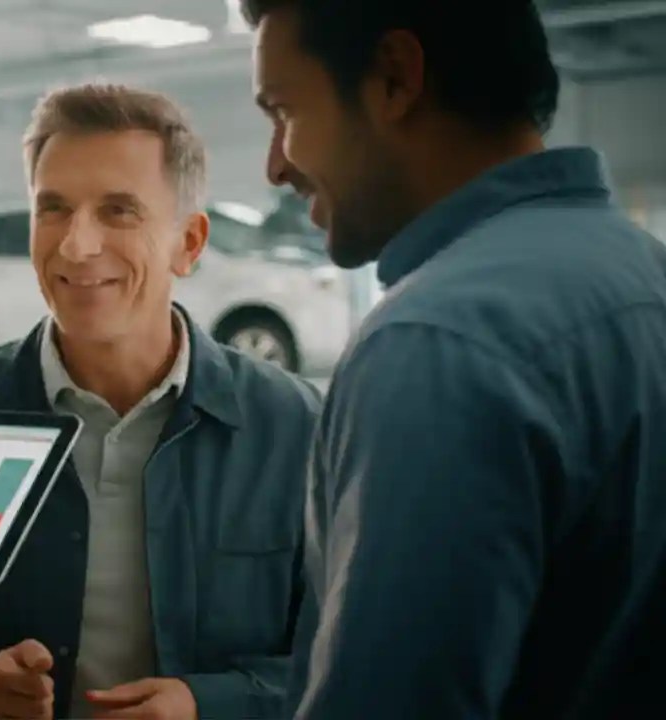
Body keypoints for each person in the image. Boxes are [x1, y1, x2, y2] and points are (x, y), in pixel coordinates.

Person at [240, 1, 666, 718]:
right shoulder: (646, 277)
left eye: (284, 112)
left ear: (395, 79)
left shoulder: (434, 344)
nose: (277, 165)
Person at [0, 84, 322, 720]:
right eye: (53, 209)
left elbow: (345, 653)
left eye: (119, 211)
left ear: (189, 242)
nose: (76, 245)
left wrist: (205, 705)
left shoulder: (296, 430)